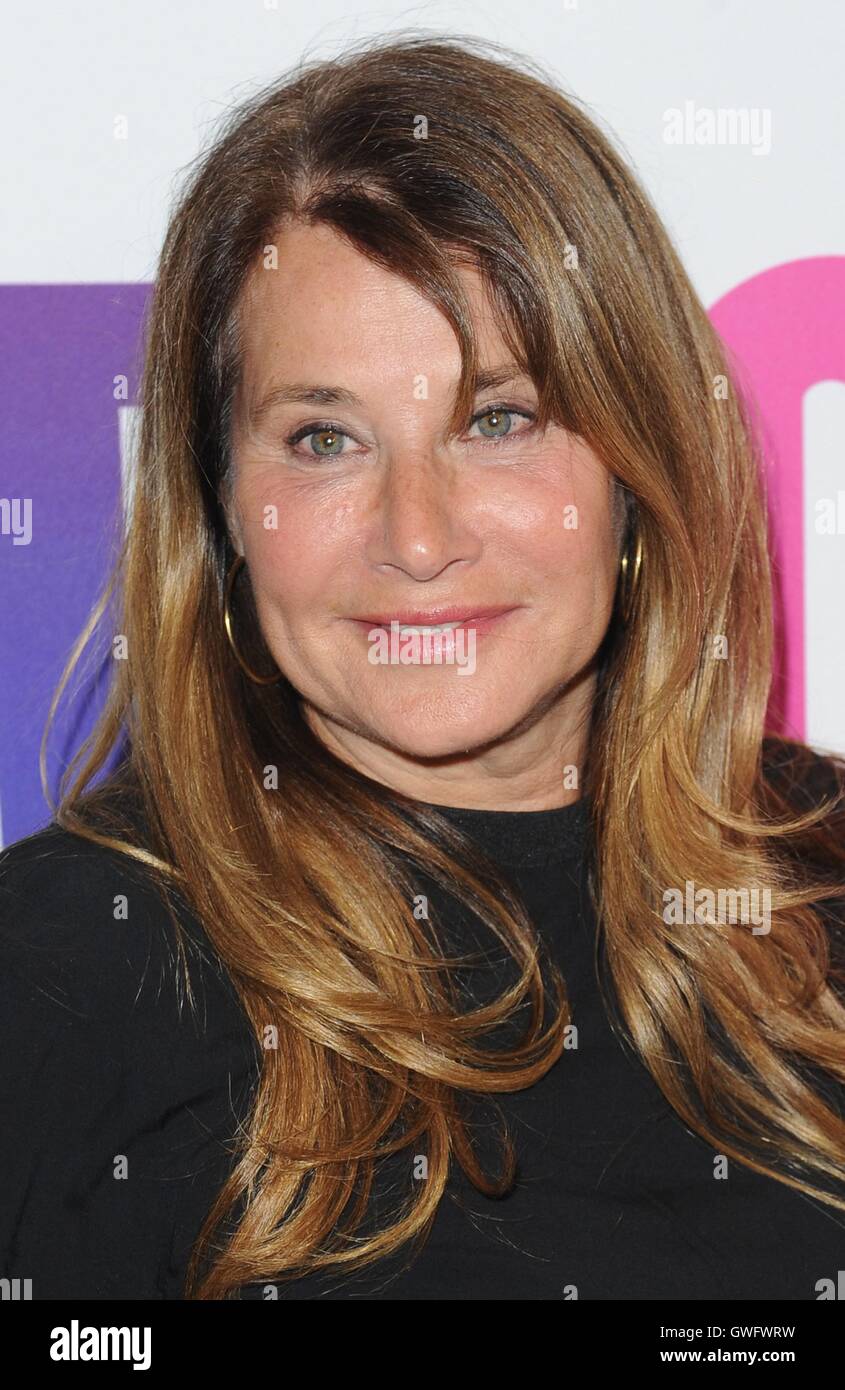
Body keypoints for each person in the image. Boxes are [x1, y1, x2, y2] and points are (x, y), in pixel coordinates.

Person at [1, 31, 844, 1302]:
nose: (416, 536)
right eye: (324, 439)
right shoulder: (59, 974)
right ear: (221, 507)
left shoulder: (821, 878)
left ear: (637, 467)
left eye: (496, 420)